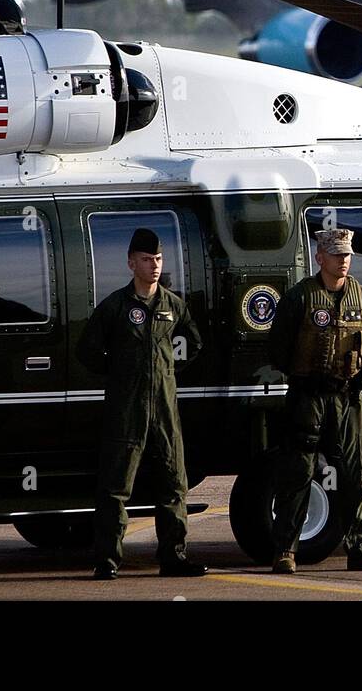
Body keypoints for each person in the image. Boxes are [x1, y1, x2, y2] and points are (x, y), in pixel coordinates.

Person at [77, 228, 206, 580]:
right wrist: (119, 372)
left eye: (158, 260)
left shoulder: (173, 305)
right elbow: (87, 351)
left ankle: (174, 558)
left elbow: (193, 344)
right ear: (131, 263)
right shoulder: (115, 307)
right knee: (115, 487)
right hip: (126, 408)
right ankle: (107, 559)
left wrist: (166, 370)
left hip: (164, 408)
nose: (154, 266)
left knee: (173, 484)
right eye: (147, 260)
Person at [267, 228, 362, 574]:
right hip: (308, 396)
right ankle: (285, 550)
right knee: (298, 472)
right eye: (337, 255)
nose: (343, 261)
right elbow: (279, 348)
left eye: (347, 255)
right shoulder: (300, 298)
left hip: (348, 397)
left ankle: (360, 547)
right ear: (320, 257)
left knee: (357, 472)